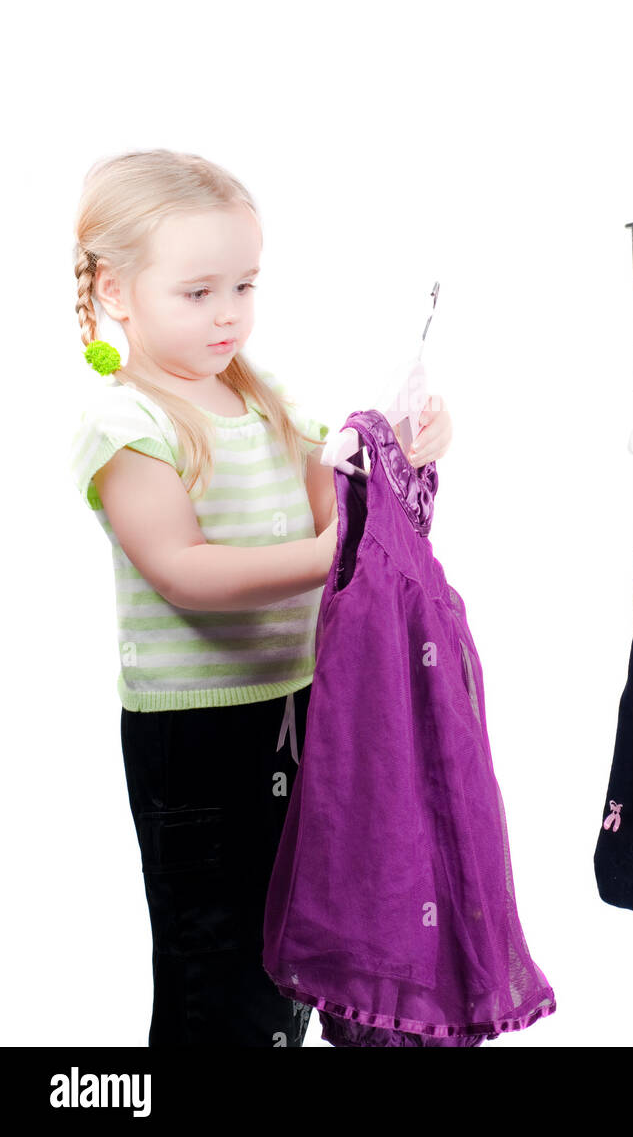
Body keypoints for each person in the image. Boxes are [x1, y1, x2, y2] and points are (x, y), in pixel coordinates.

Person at [68, 148, 451, 1046]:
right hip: (196, 734)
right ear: (115, 293)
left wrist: (400, 443)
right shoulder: (127, 424)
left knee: (295, 948)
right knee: (220, 972)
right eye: (197, 293)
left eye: (243, 285)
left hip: (296, 704)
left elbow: (332, 489)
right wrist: (328, 556)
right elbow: (182, 569)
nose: (229, 314)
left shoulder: (258, 393)